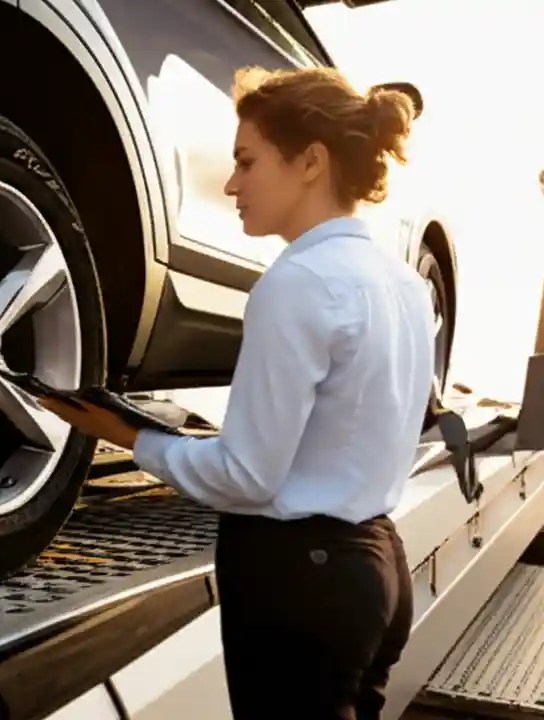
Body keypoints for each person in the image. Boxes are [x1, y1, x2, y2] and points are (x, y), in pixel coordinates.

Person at [40, 65, 433, 720]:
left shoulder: (298, 283)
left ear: (310, 161)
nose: (231, 184)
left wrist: (134, 436)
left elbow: (247, 477)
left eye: (247, 162)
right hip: (378, 572)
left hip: (300, 582)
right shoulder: (403, 285)